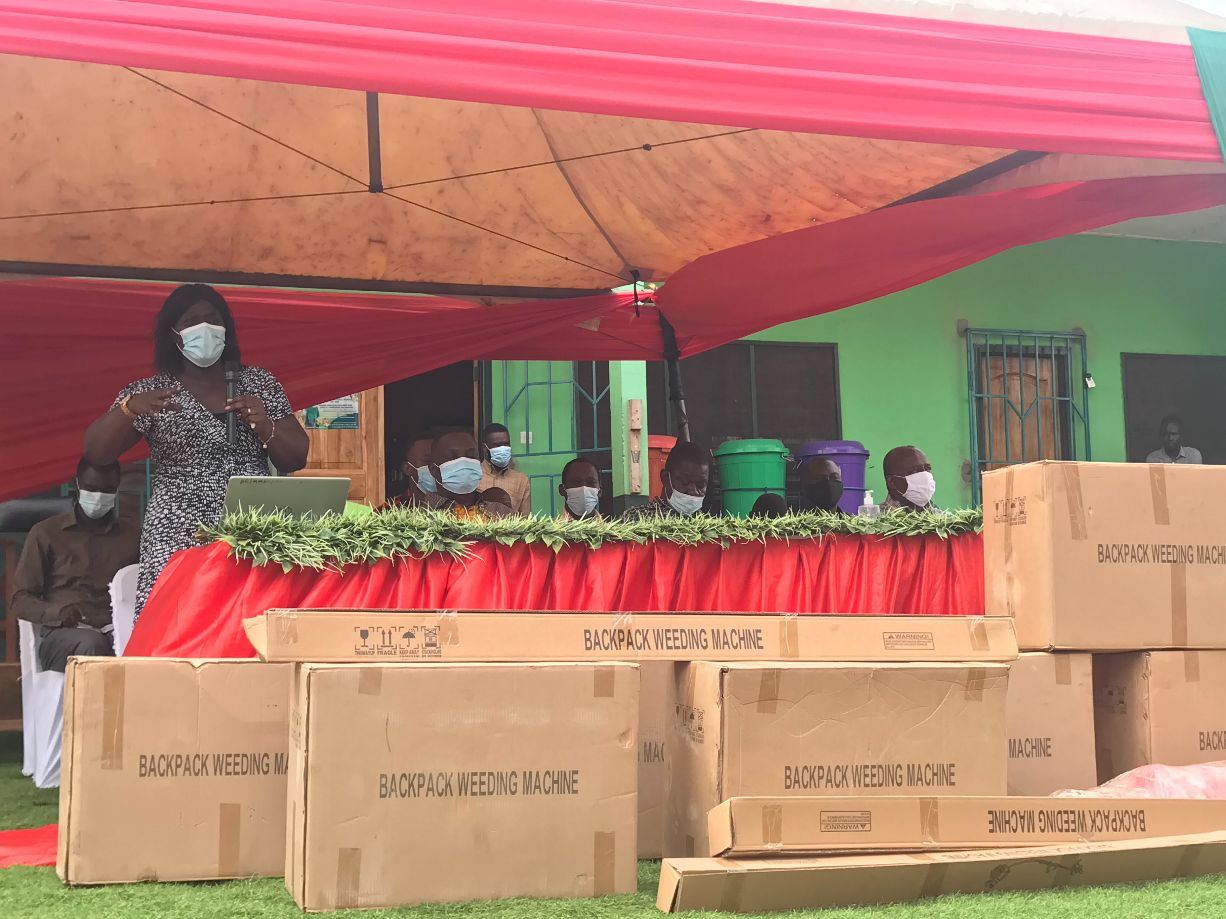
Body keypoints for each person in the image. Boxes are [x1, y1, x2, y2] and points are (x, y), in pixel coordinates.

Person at [83, 284, 309, 616]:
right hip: (178, 527)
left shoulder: (257, 383)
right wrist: (129, 408)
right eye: (191, 321)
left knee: (247, 622)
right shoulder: (150, 391)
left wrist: (265, 425)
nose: (204, 327)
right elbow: (96, 452)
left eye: (212, 319)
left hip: (250, 528)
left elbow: (296, 456)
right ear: (173, 334)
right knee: (176, 619)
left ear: (226, 329)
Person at [11, 459, 140, 671]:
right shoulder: (46, 533)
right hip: (64, 636)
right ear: (76, 484)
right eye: (91, 488)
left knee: (145, 645)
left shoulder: (132, 536)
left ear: (117, 490)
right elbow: (20, 600)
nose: (98, 496)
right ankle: (93, 706)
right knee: (91, 645)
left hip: (116, 629)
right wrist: (58, 613)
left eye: (107, 490)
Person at [410, 431, 512, 519]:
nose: (463, 462)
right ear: (433, 470)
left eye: (471, 456)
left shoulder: (501, 512)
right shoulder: (419, 516)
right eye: (452, 457)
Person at [622, 441, 711, 520]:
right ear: (665, 478)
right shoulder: (638, 517)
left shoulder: (707, 525)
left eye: (700, 485)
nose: (693, 491)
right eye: (685, 482)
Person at [477, 422, 532, 514]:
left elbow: (524, 519)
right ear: (484, 447)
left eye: (506, 444)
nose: (503, 448)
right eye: (497, 445)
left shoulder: (521, 480)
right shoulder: (473, 476)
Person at [881, 445, 939, 512]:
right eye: (915, 471)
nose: (925, 476)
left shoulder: (941, 517)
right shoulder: (877, 518)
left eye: (927, 469)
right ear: (892, 482)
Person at [384, 436, 435, 507]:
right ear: (407, 468)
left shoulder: (454, 508)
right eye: (428, 461)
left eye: (441, 461)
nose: (437, 466)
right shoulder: (390, 511)